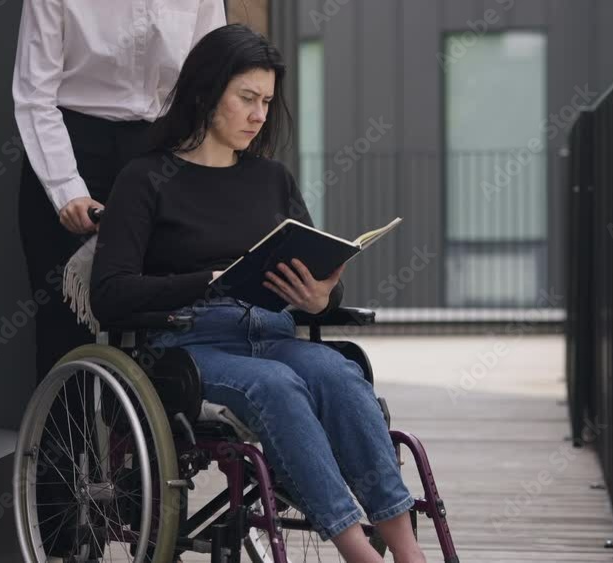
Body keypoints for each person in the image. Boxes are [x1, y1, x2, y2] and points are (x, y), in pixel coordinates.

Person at [91, 24, 427, 563]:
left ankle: (409, 553)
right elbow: (109, 293)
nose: (259, 115)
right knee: (278, 384)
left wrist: (322, 299)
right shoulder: (145, 178)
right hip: (188, 345)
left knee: (339, 375)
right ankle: (357, 551)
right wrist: (204, 281)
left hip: (272, 331)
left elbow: (317, 273)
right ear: (205, 94)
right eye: (247, 99)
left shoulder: (272, 179)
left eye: (267, 102)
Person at [12, 0, 226, 381]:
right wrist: (66, 189)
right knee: (65, 319)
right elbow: (35, 95)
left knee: (165, 307)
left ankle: (146, 438)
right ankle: (62, 440)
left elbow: (209, 82)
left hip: (161, 149)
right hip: (69, 144)